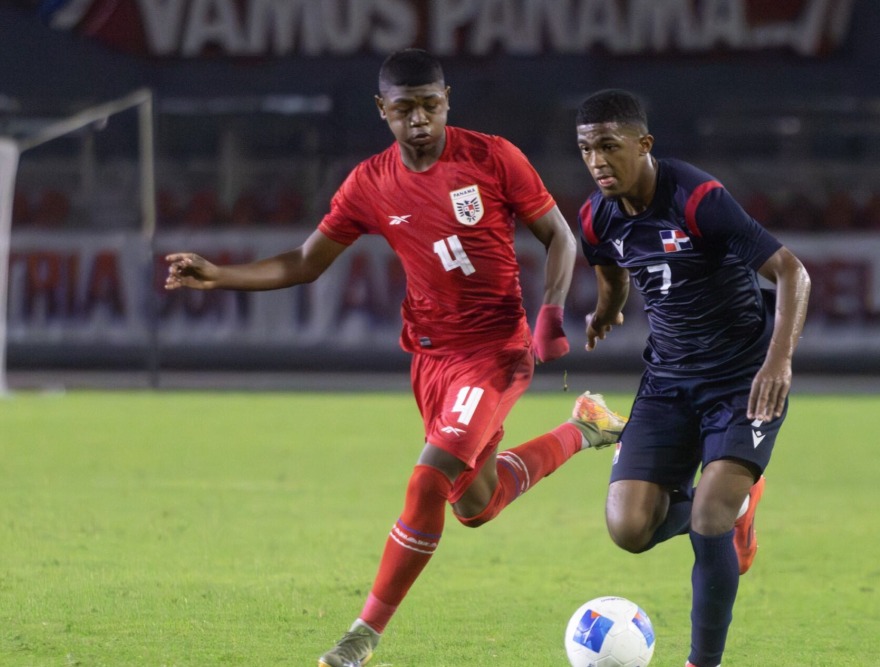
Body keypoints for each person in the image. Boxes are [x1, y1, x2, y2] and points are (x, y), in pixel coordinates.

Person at [165, 49, 626, 667]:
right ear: (382, 110)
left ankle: (362, 635)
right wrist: (219, 275)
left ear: (447, 101)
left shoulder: (492, 157)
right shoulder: (369, 184)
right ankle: (584, 427)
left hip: (494, 351)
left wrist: (550, 312)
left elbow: (560, 236)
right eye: (404, 108)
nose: (419, 119)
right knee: (475, 505)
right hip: (431, 360)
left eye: (430, 105)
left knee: (427, 479)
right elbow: (306, 263)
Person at [573, 89, 811, 667]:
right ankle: (734, 507)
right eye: (586, 149)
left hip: (743, 381)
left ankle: (703, 660)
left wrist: (778, 361)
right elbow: (611, 269)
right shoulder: (595, 216)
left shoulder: (698, 199)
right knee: (628, 529)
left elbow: (792, 272)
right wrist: (607, 310)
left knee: (709, 520)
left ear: (644, 145)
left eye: (609, 146)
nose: (598, 160)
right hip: (667, 382)